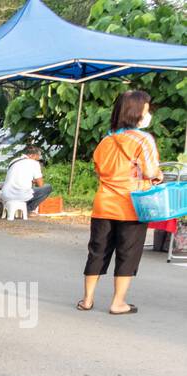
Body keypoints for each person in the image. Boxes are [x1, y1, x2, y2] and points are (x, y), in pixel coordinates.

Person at [79, 90, 162, 316]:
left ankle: (87, 299)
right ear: (136, 112)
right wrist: (158, 176)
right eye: (146, 109)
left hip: (104, 204)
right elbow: (150, 171)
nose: (148, 113)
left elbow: (99, 169)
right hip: (133, 206)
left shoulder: (106, 140)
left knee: (97, 251)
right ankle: (118, 303)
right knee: (128, 253)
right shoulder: (143, 139)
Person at [0, 145, 51, 214]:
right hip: (21, 195)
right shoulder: (34, 163)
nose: (37, 160)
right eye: (37, 158)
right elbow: (40, 185)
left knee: (29, 188)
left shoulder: (14, 161)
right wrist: (35, 181)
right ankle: (28, 209)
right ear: (32, 155)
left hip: (5, 194)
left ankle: (19, 209)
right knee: (47, 187)